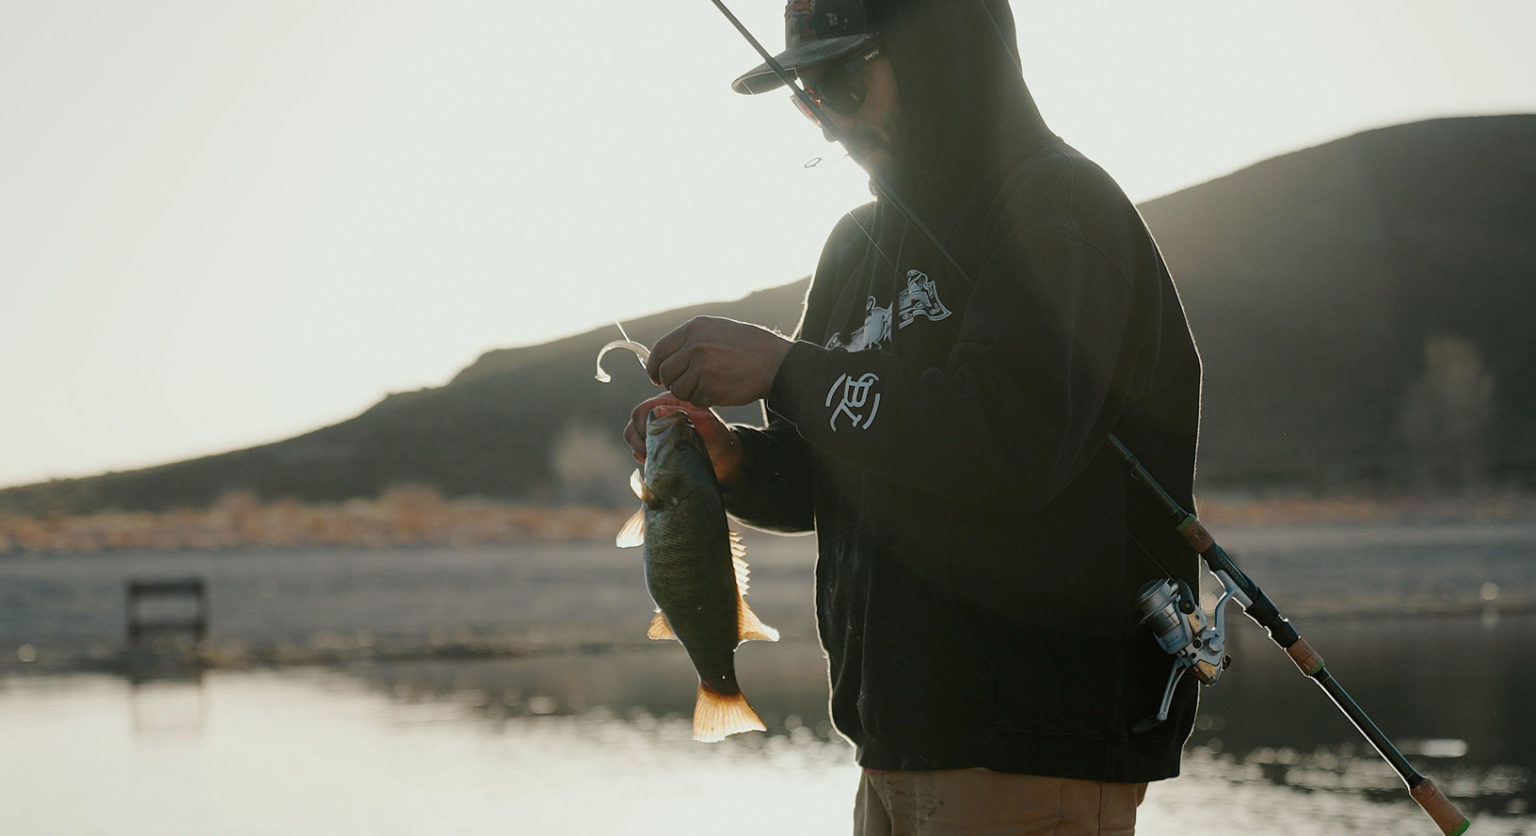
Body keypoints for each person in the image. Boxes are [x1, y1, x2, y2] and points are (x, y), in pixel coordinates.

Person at [624, 0, 1202, 832]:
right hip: (892, 742)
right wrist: (735, 465)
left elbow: (1008, 439)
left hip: (1034, 750)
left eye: (843, 79)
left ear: (940, 53)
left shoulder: (1058, 207)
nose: (826, 121)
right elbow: (832, 469)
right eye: (806, 91)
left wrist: (787, 368)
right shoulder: (856, 245)